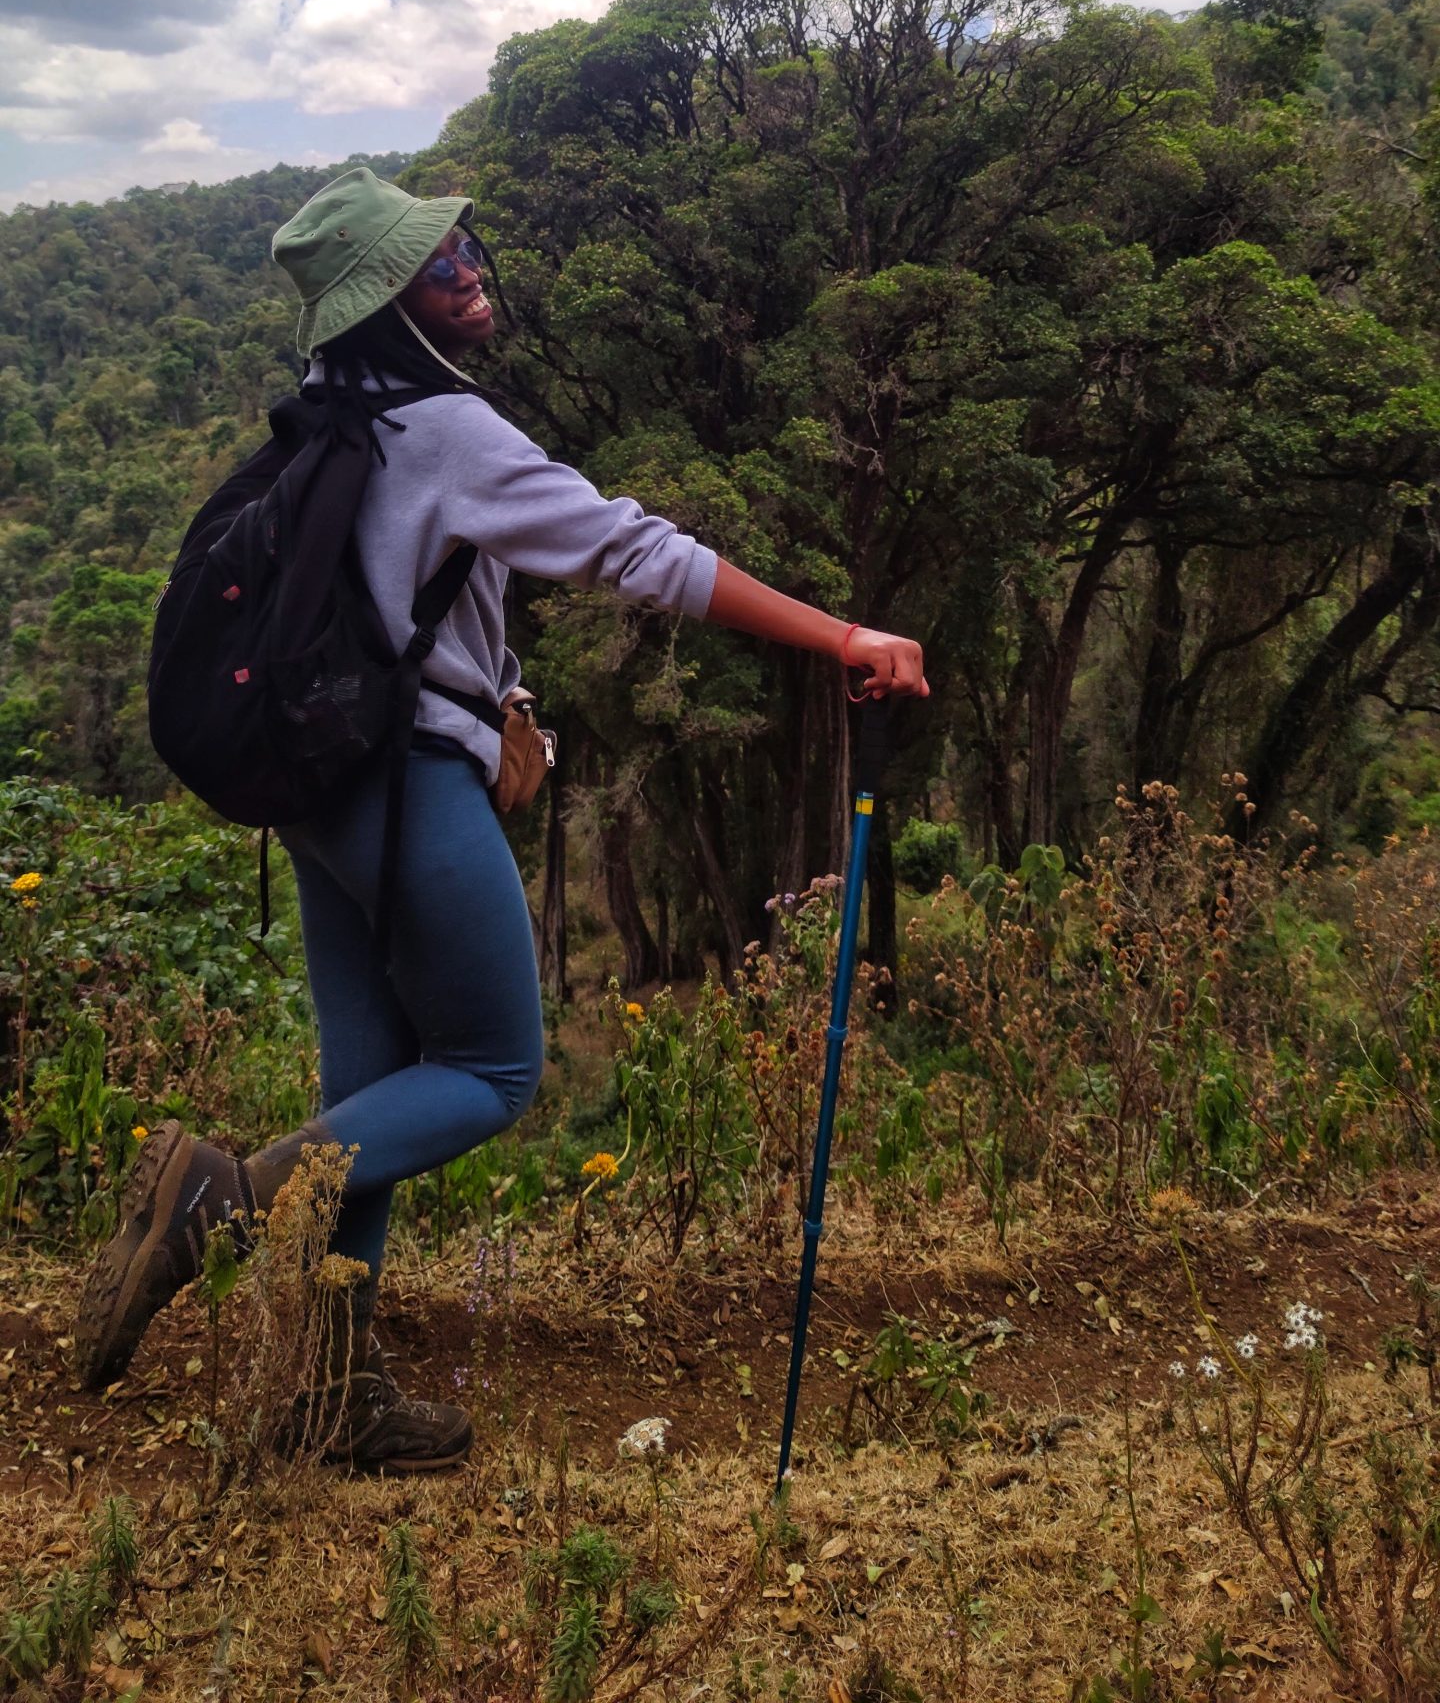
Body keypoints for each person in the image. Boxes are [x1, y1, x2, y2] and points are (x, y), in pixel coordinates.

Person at [75, 165, 927, 1470]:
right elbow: (639, 552)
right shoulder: (451, 431)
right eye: (438, 264)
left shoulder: (331, 420)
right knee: (489, 1070)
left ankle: (331, 1396)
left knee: (368, 1092)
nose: (470, 268)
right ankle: (218, 1202)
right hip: (405, 783)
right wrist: (843, 634)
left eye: (465, 243)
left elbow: (406, 593)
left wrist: (507, 700)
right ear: (386, 309)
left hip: (322, 785)